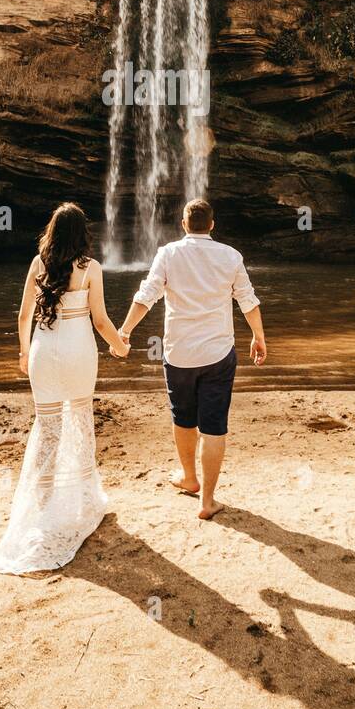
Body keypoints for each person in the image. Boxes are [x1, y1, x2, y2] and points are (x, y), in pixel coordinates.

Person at [0, 202, 129, 574]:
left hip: (43, 352)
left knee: (48, 428)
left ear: (52, 231)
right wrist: (119, 346)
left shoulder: (39, 264)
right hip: (78, 352)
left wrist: (24, 352)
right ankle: (84, 502)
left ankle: (42, 504)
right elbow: (100, 321)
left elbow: (23, 316)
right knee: (80, 422)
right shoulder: (90, 269)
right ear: (82, 233)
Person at [114, 198, 266, 520]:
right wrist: (258, 337)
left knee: (183, 417)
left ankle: (188, 477)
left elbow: (147, 296)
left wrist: (124, 331)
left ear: (184, 225)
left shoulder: (168, 253)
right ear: (212, 224)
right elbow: (247, 301)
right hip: (217, 354)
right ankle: (207, 501)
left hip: (179, 353)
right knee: (214, 427)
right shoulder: (231, 256)